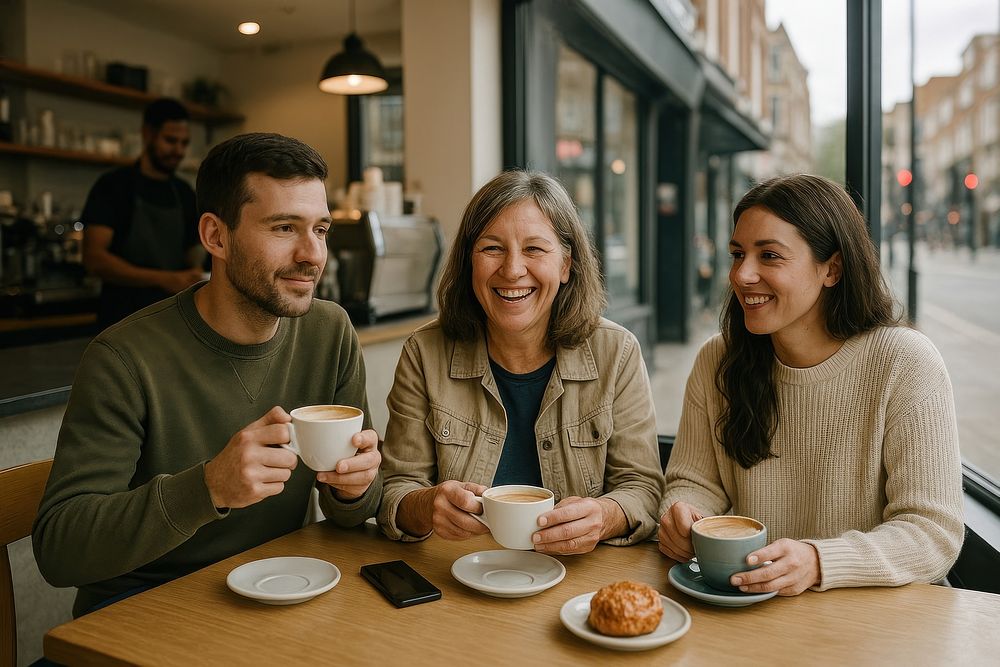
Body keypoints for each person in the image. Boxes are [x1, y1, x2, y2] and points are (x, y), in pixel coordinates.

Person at [33, 132, 382, 616]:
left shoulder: (330, 332)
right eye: (284, 228)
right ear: (216, 236)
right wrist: (208, 488)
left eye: (320, 230)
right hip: (142, 607)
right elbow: (60, 550)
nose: (313, 255)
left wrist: (357, 487)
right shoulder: (123, 357)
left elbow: (353, 517)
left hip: (281, 588)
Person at [658, 174, 964, 595]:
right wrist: (684, 513)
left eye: (769, 255)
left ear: (832, 268)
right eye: (737, 253)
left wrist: (820, 562)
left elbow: (933, 533)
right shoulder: (717, 359)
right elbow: (694, 481)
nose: (742, 275)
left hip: (875, 625)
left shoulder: (905, 362)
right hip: (752, 609)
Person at [377, 170, 662, 554]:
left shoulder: (617, 352)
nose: (512, 270)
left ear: (565, 265)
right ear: (469, 263)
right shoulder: (424, 352)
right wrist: (427, 506)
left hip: (576, 582)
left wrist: (604, 514)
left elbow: (642, 489)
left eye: (534, 249)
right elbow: (395, 489)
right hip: (459, 576)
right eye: (492, 248)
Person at [82, 97, 205, 329]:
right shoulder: (113, 186)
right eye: (170, 141)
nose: (178, 150)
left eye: (184, 143)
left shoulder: (184, 192)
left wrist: (198, 267)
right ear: (148, 134)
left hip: (173, 319)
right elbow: (94, 259)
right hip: (121, 320)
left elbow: (193, 248)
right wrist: (164, 279)